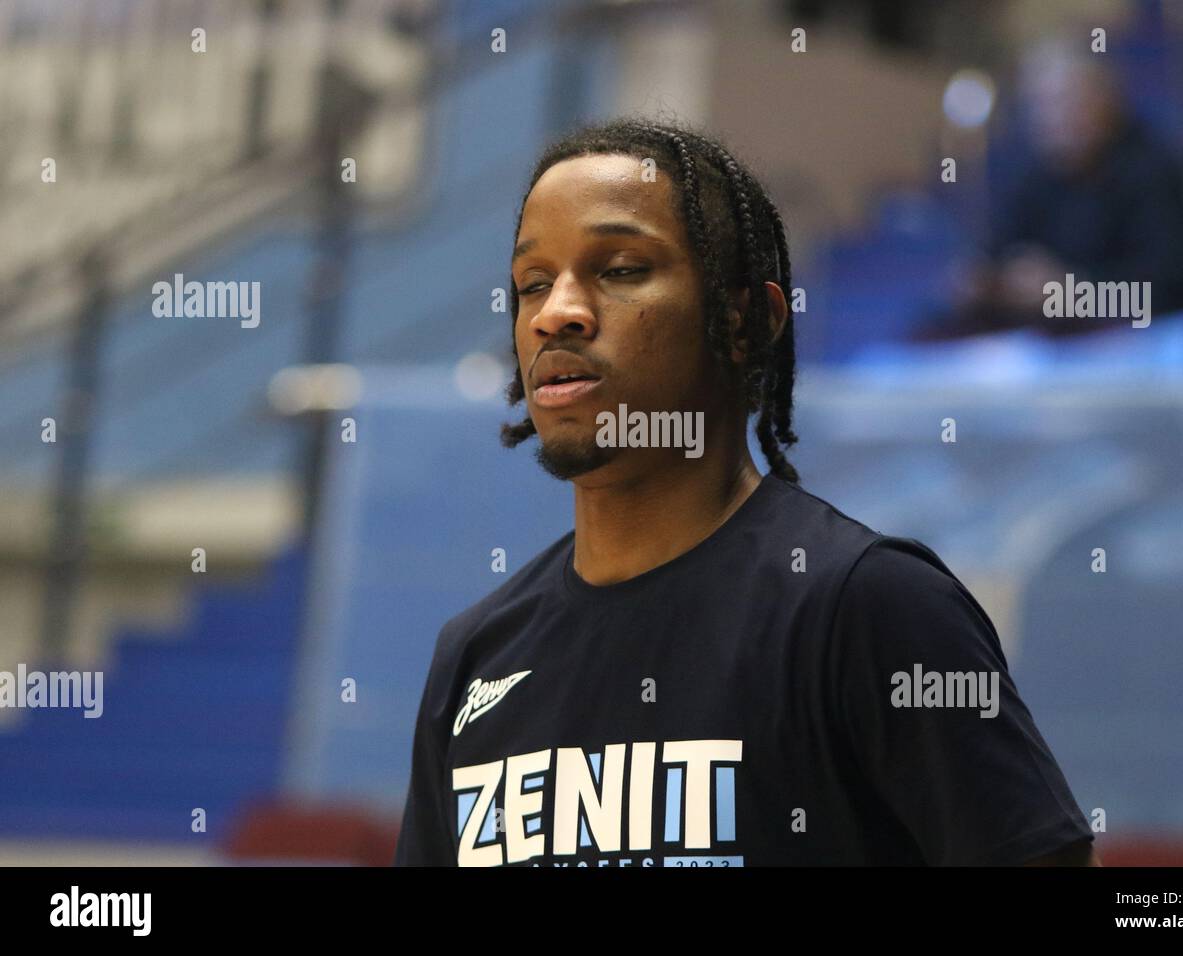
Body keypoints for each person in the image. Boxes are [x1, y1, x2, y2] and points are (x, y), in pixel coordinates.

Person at [394, 117, 1098, 866]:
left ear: (743, 322)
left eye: (622, 268)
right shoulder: (475, 657)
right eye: (533, 282)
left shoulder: (871, 607)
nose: (556, 312)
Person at [931, 41, 1183, 339]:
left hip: (1140, 351)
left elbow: (1174, 292)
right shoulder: (1032, 179)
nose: (1052, 118)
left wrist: (1073, 293)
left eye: (1064, 101)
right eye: (1039, 105)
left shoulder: (1153, 171)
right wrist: (982, 285)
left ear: (1105, 101)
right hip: (1050, 355)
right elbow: (997, 257)